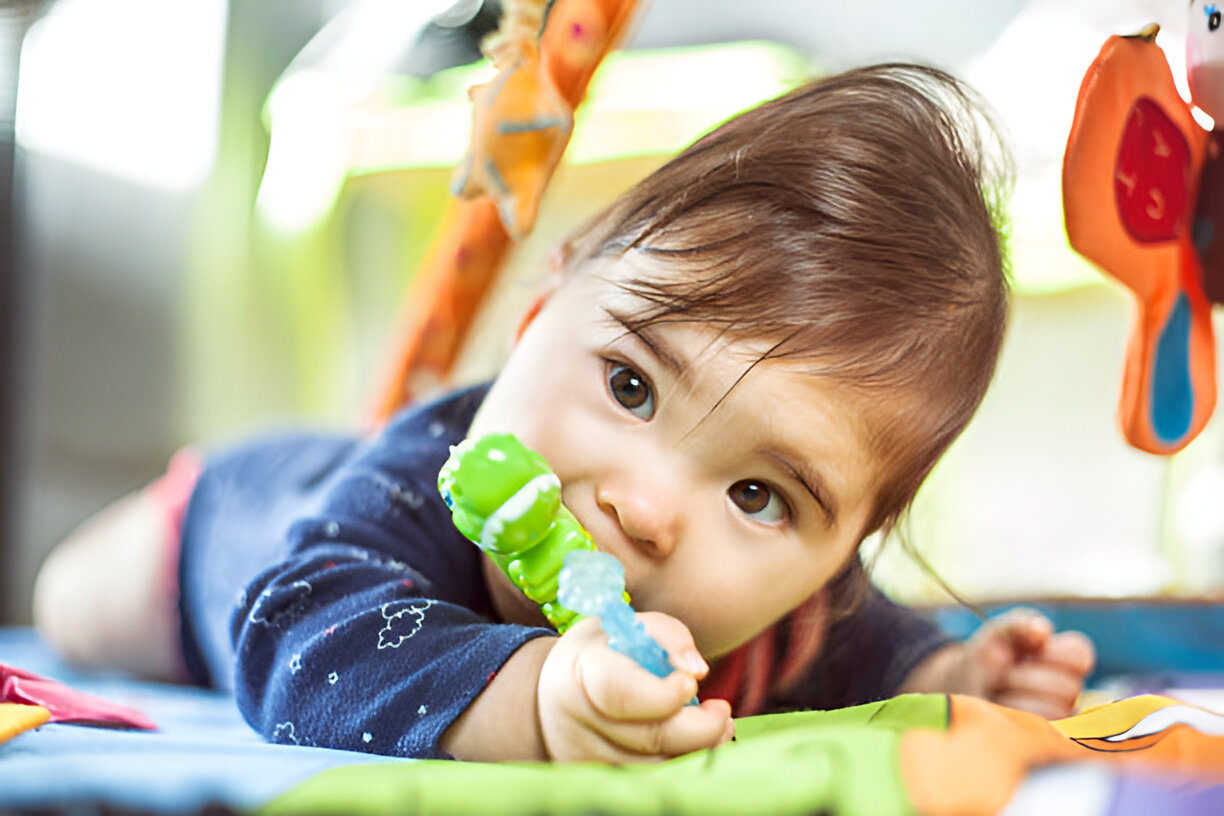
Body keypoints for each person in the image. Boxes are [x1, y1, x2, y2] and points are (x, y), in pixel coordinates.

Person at [33, 63, 1095, 763]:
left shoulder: (810, 608)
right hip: (220, 527)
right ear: (539, 312)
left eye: (760, 495)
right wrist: (535, 697)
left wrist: (949, 673)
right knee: (71, 604)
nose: (642, 509)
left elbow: (859, 652)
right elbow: (300, 643)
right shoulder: (418, 484)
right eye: (630, 385)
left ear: (841, 556)